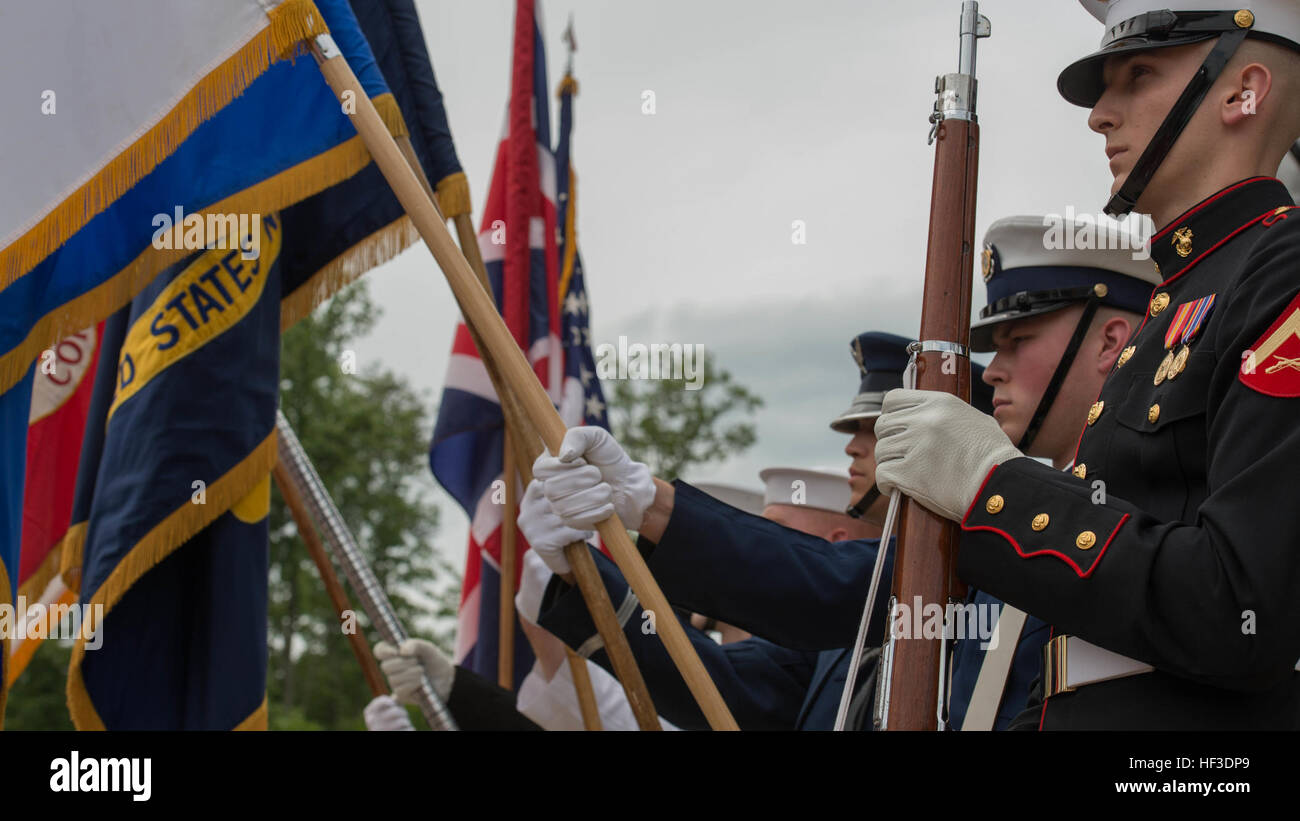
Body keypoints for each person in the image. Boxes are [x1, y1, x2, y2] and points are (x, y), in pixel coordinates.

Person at [528, 217, 1158, 729]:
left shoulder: (1151, 508)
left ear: (1111, 343)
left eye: (1018, 341)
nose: (993, 370)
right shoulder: (996, 530)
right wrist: (643, 502)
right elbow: (822, 588)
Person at [873, 1, 1300, 729]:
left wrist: (994, 488)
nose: (1101, 113)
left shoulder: (1279, 275)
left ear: (1244, 90)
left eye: (1138, 75)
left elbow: (1242, 606)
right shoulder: (1180, 300)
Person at [517, 334, 918, 729]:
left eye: (885, 427)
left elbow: (817, 577)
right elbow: (716, 684)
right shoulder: (832, 644)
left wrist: (645, 502)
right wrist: (586, 577)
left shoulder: (965, 593)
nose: (852, 447)